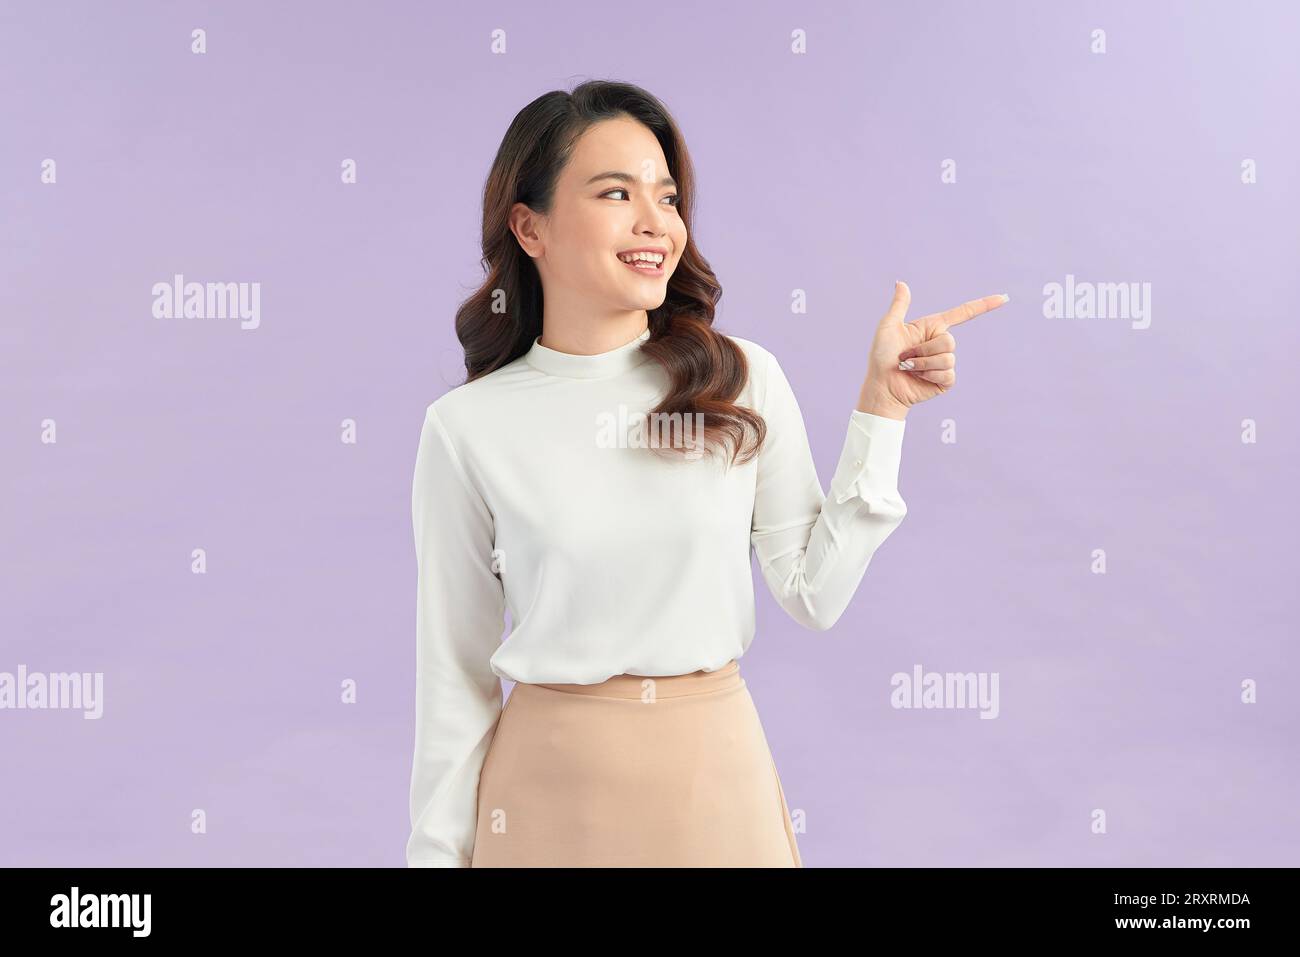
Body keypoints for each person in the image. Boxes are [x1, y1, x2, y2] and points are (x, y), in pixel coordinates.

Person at [407, 79, 1008, 868]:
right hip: (542, 803)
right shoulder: (468, 428)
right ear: (529, 226)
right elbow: (453, 681)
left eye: (666, 196)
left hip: (715, 787)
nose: (655, 222)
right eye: (616, 193)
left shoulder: (740, 380)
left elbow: (814, 593)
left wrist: (882, 411)